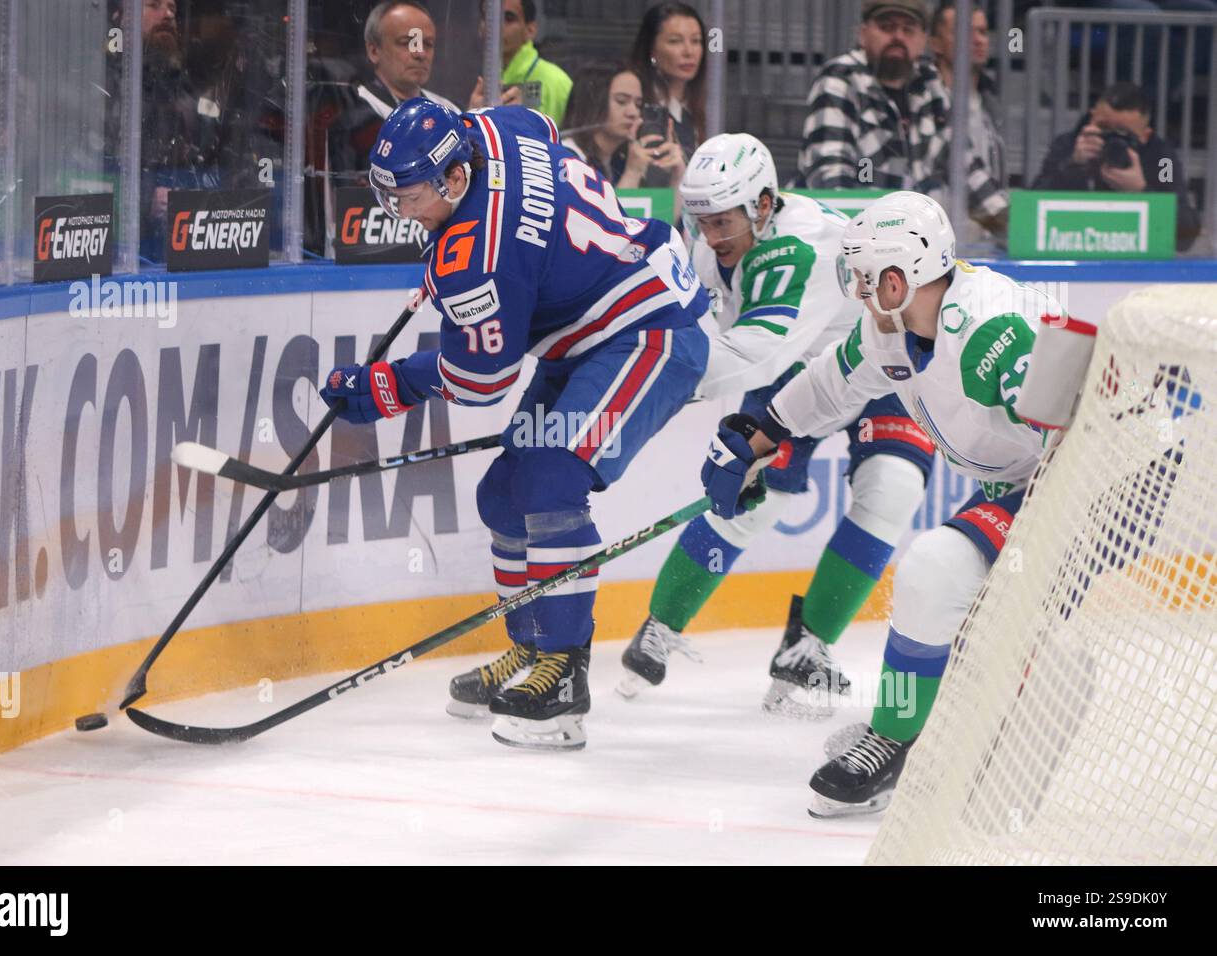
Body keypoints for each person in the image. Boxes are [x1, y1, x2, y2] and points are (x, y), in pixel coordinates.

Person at [319, 98, 710, 752]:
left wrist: (389, 386)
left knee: (554, 480)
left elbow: (482, 380)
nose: (401, 213)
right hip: (586, 327)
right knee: (503, 496)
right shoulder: (497, 127)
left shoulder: (475, 257)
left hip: (648, 328)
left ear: (453, 179)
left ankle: (564, 677)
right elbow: (545, 130)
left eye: (411, 197)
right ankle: (531, 651)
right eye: (391, 196)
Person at [700, 191, 1064, 817]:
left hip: (1088, 481)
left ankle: (911, 740)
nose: (857, 292)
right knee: (963, 596)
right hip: (1030, 480)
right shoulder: (899, 328)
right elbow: (831, 382)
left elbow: (1080, 425)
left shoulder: (989, 338)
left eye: (864, 278)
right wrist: (755, 439)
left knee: (939, 568)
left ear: (897, 280)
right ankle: (942, 738)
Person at [617, 134, 933, 716]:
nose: (712, 237)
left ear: (764, 205)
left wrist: (652, 388)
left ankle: (808, 647)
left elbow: (751, 356)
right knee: (756, 501)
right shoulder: (710, 236)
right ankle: (661, 623)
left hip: (871, 361)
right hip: (796, 367)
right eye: (702, 221)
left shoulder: (801, 247)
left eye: (724, 222)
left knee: (893, 487)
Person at [797, 0, 1007, 239]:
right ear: (863, 34)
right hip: (850, 241)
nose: (897, 36)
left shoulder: (929, 83)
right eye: (887, 27)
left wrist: (1011, 225)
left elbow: (967, 169)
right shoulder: (840, 78)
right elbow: (831, 182)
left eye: (908, 30)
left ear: (923, 40)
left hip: (912, 243)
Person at [304, 0, 460, 255]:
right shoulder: (348, 109)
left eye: (427, 44)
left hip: (439, 252)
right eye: (406, 42)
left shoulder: (450, 110)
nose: (419, 52)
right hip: (365, 256)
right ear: (374, 50)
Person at [1032, 82, 1202, 252]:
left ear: (1145, 135)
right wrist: (1072, 165)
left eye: (1123, 133)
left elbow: (1185, 233)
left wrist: (1141, 191)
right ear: (1092, 117)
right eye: (1103, 128)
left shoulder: (1163, 160)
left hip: (1135, 259)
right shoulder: (1068, 146)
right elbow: (1029, 212)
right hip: (1073, 248)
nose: (1111, 139)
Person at [929, 1, 1006, 244]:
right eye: (964, 31)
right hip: (935, 245)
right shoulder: (925, 100)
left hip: (983, 245)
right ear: (935, 43)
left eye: (982, 32)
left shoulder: (989, 101)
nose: (978, 40)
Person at [628, 1, 707, 186]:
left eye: (696, 41)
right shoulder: (635, 107)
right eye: (675, 41)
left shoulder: (696, 109)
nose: (689, 52)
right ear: (652, 50)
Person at [467, 0, 573, 125]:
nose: (496, 26)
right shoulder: (480, 77)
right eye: (488, 17)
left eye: (508, 18)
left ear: (530, 30)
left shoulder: (554, 81)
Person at [559, 64, 664, 188]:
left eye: (638, 104)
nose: (633, 113)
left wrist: (676, 174)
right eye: (621, 101)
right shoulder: (567, 157)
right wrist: (632, 173)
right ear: (592, 103)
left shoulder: (620, 160)